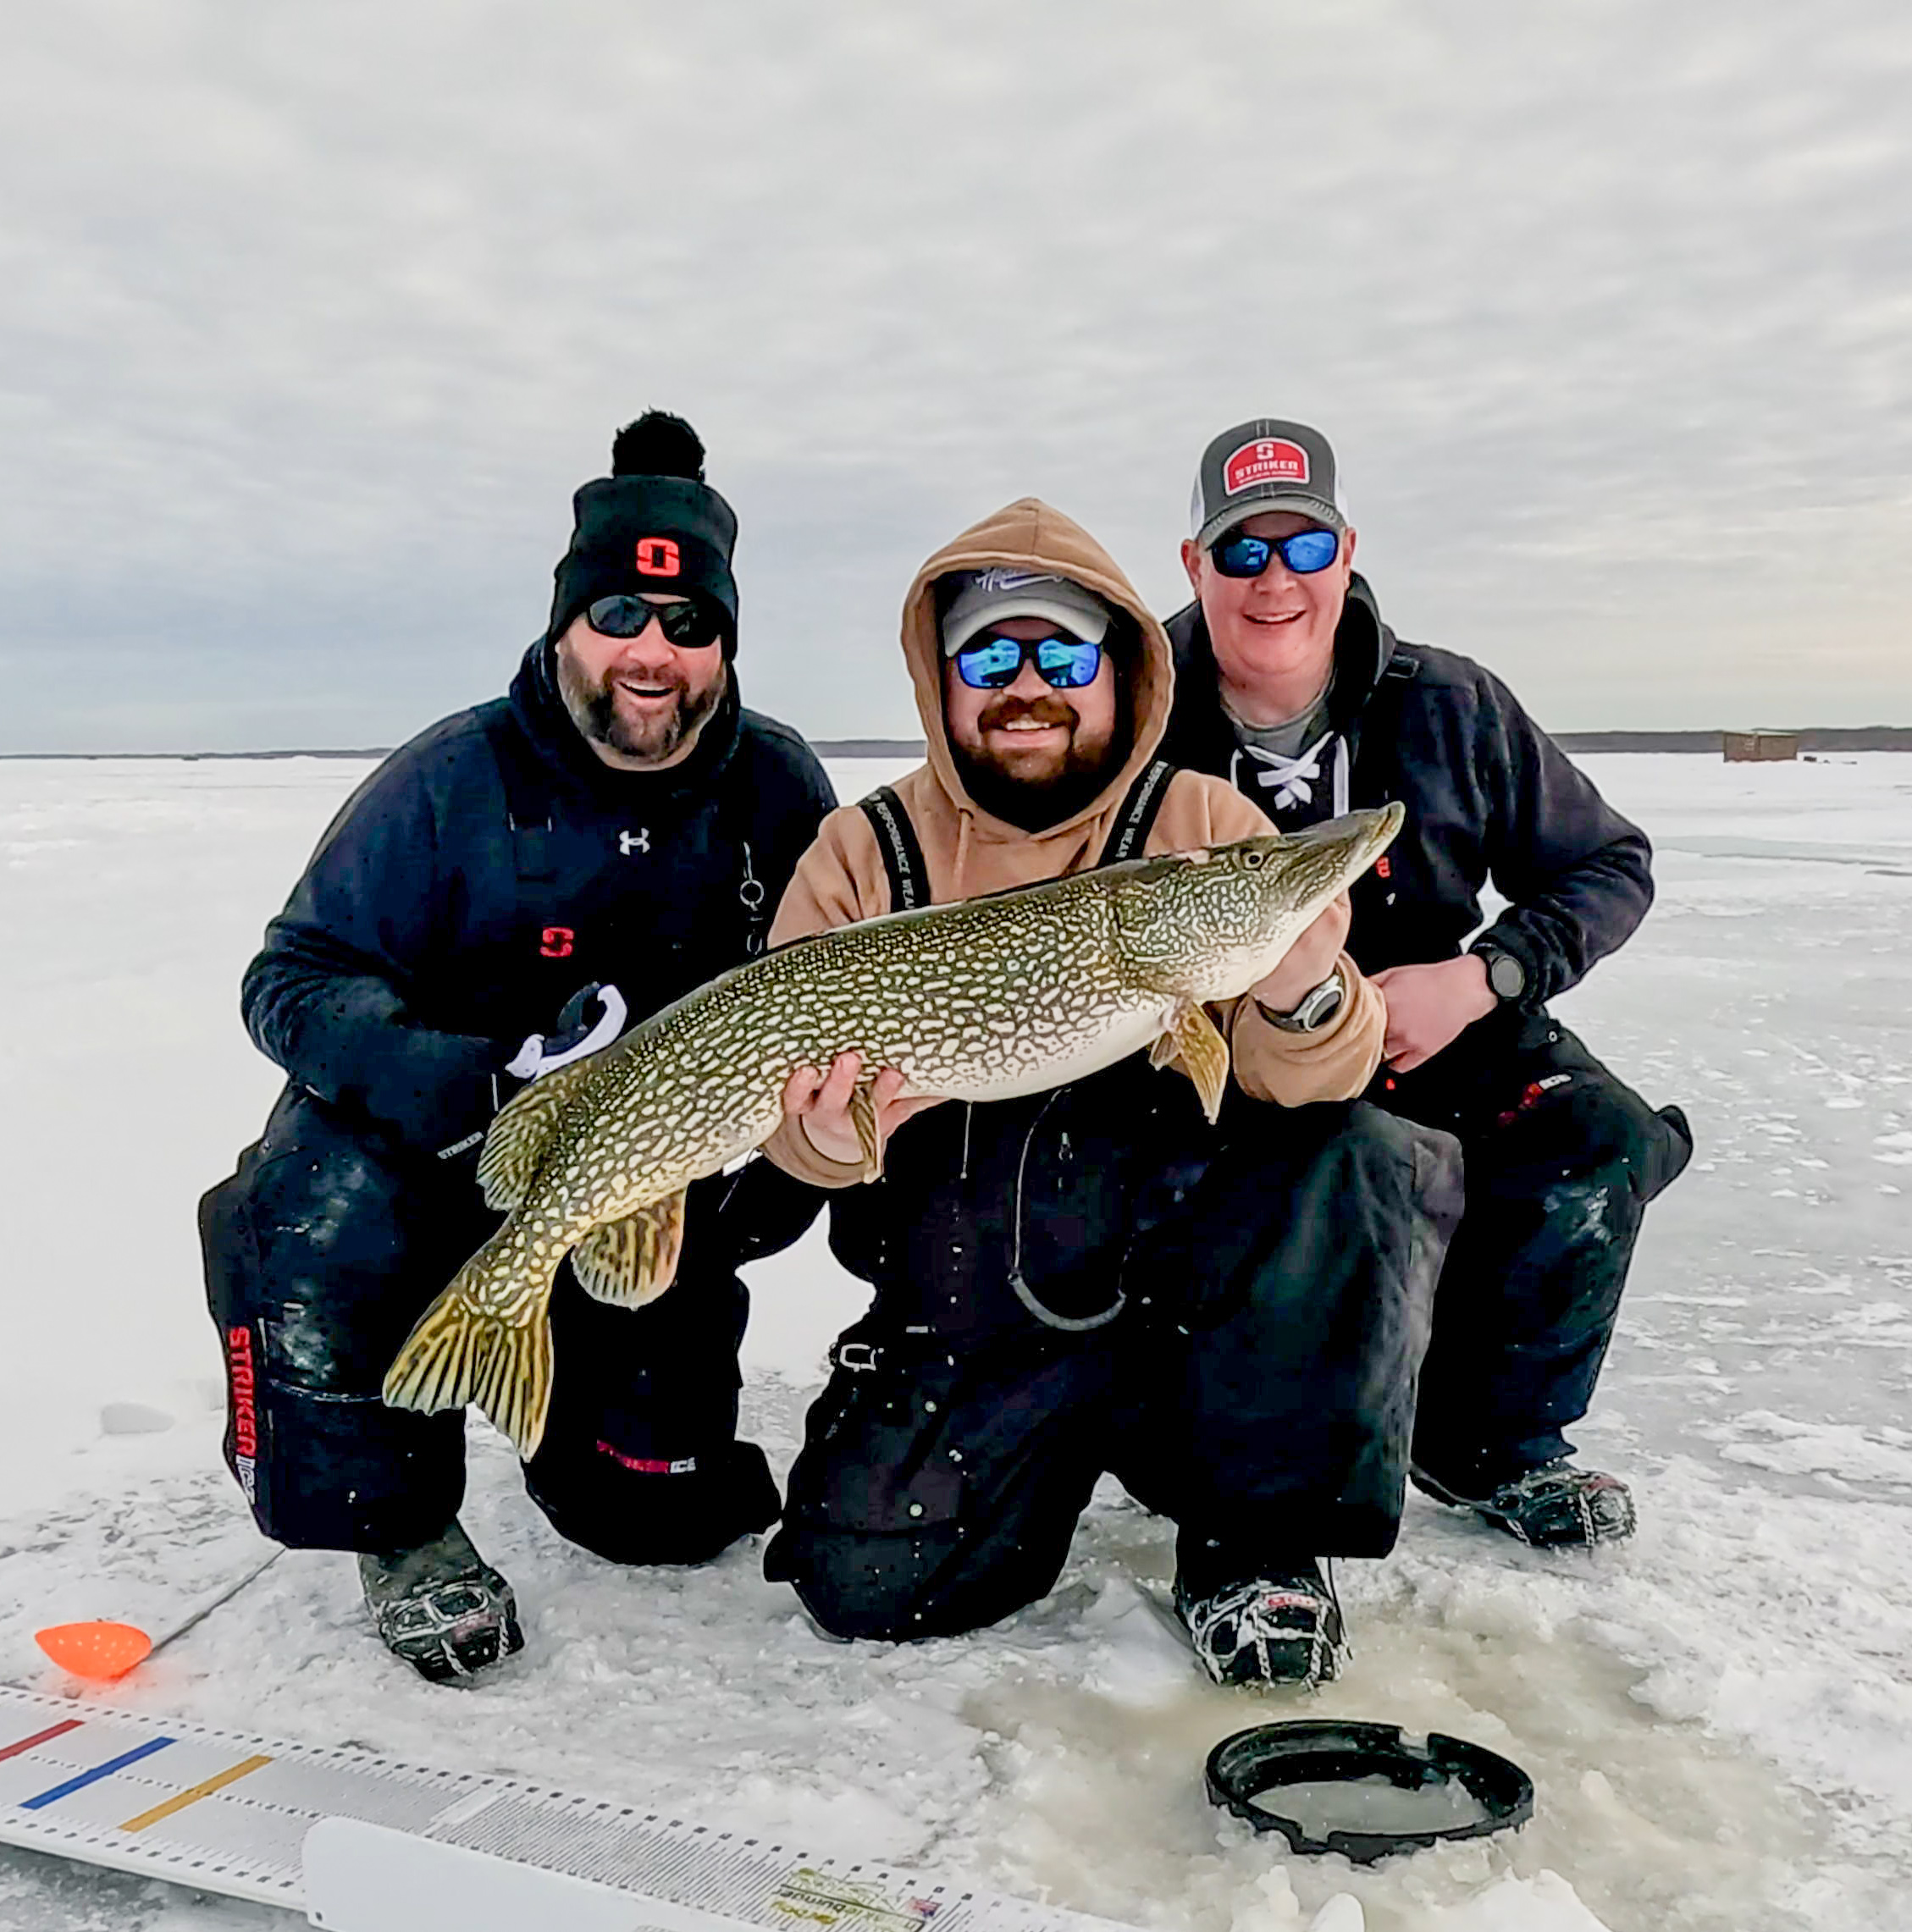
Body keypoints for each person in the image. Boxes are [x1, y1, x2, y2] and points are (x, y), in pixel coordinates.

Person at [754, 497, 1462, 1687]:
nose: (1024, 682)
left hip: (1186, 1308)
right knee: (866, 1588)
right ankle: (1024, 1450)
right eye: (988, 653)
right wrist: (824, 1134)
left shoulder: (1198, 827)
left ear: (1117, 669)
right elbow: (788, 1131)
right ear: (942, 679)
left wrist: (1299, 993)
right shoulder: (861, 853)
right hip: (979, 1319)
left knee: (1360, 1154)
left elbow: (1322, 1084)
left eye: (1060, 653)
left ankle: (1256, 1529)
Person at [199, 412, 836, 1680]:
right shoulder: (449, 780)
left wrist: (766, 1171)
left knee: (652, 1516)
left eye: (690, 626)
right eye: (619, 615)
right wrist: (468, 1072)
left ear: (721, 646)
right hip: (436, 1168)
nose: (653, 654)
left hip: (649, 1188)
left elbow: (819, 990)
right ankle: (400, 1520)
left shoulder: (774, 785)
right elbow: (291, 976)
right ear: (564, 626)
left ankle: (595, 1423)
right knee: (311, 1199)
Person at [1160, 418, 1694, 1548]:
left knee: (1596, 1137)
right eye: (1240, 552)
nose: (1272, 582)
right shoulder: (1136, 713)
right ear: (1193, 565)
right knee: (1306, 1191)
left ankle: (1492, 1435)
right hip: (1230, 1061)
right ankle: (1247, 1494)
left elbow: (1609, 864)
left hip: (1430, 1031)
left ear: (1343, 551)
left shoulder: (1449, 705)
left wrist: (1485, 974)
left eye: (1299, 547)